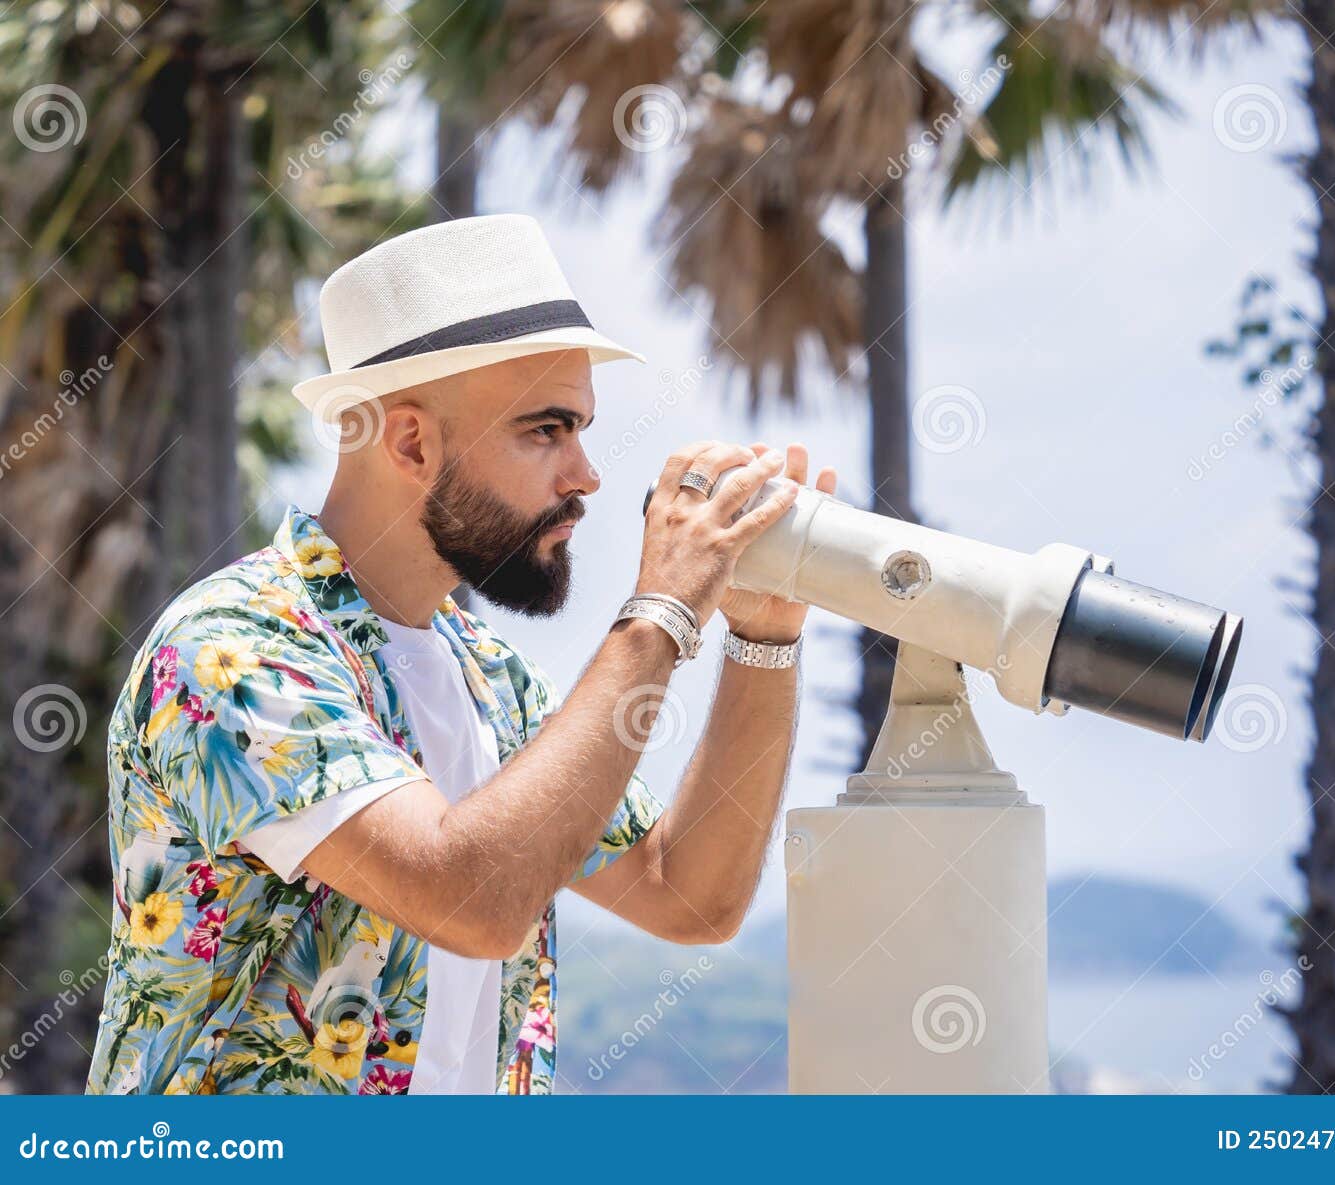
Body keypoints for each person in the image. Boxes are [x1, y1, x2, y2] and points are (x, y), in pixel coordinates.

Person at [86, 214, 833, 1096]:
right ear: (410, 442)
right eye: (546, 430)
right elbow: (470, 901)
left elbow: (688, 893)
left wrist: (764, 637)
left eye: (582, 428)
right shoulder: (232, 652)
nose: (587, 473)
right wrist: (659, 612)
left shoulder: (486, 674)